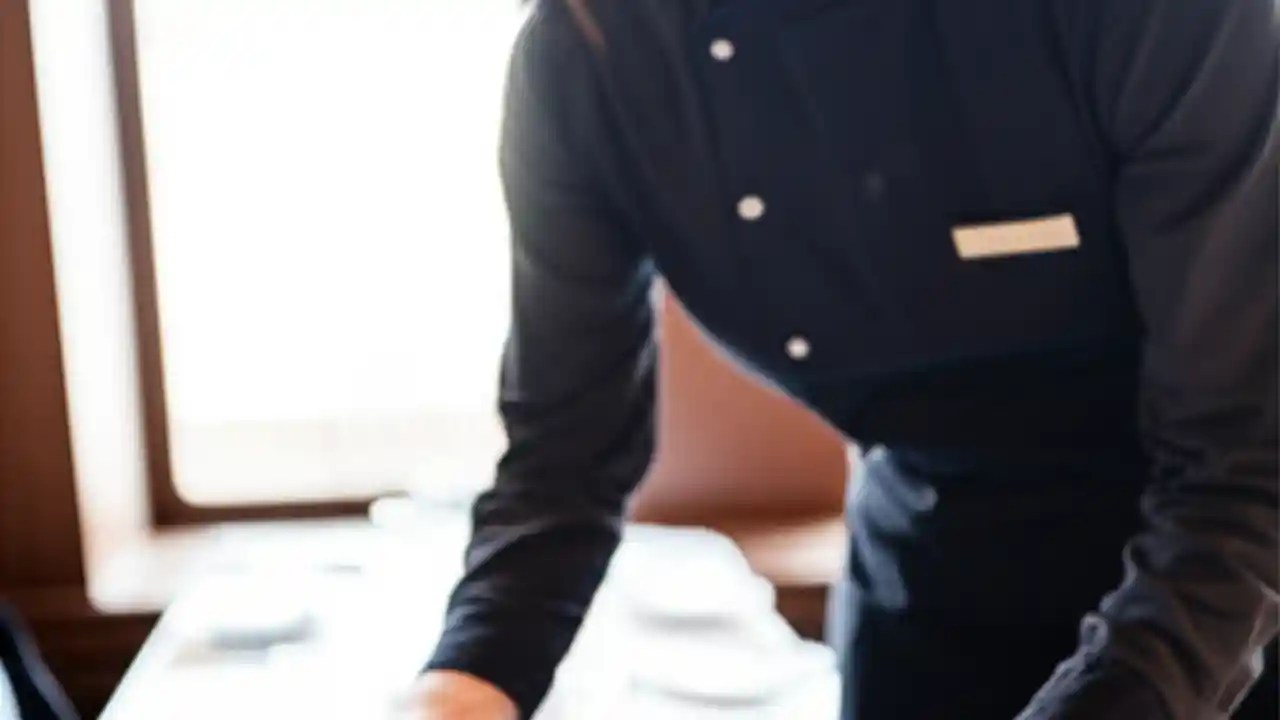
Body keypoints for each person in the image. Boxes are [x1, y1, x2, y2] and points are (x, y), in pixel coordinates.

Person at [412, 0, 1279, 717]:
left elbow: (1245, 463)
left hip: (1225, 607)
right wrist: (464, 682)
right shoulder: (587, 54)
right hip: (926, 603)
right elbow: (564, 460)